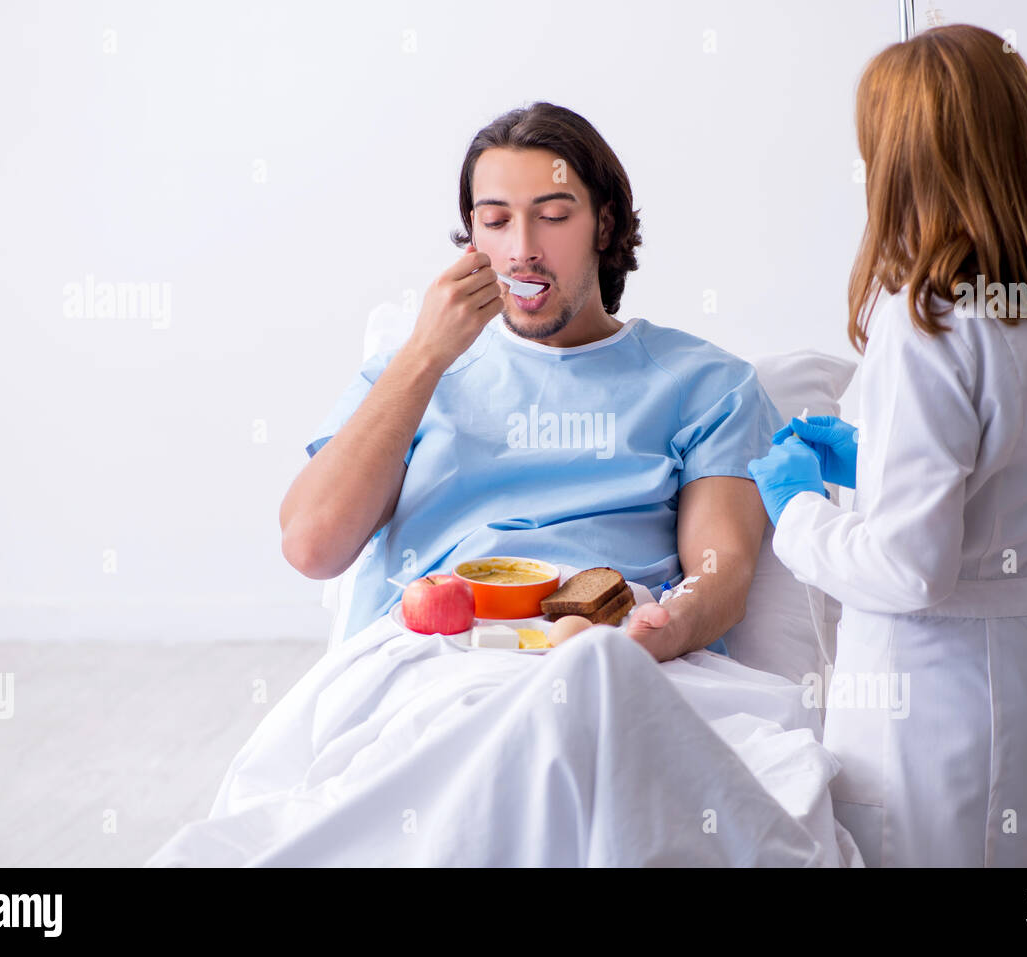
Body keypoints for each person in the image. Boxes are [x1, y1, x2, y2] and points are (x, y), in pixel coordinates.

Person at [748, 24, 1027, 866]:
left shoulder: (932, 319)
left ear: (902, 156)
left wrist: (796, 508)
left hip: (940, 689)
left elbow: (912, 569)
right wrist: (875, 458)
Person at [280, 102, 781, 662]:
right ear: (472, 236)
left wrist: (662, 632)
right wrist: (425, 357)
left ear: (605, 224)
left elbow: (720, 576)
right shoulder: (410, 375)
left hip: (616, 657)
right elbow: (311, 548)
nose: (523, 251)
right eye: (496, 221)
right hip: (431, 662)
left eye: (554, 215)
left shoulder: (708, 384)